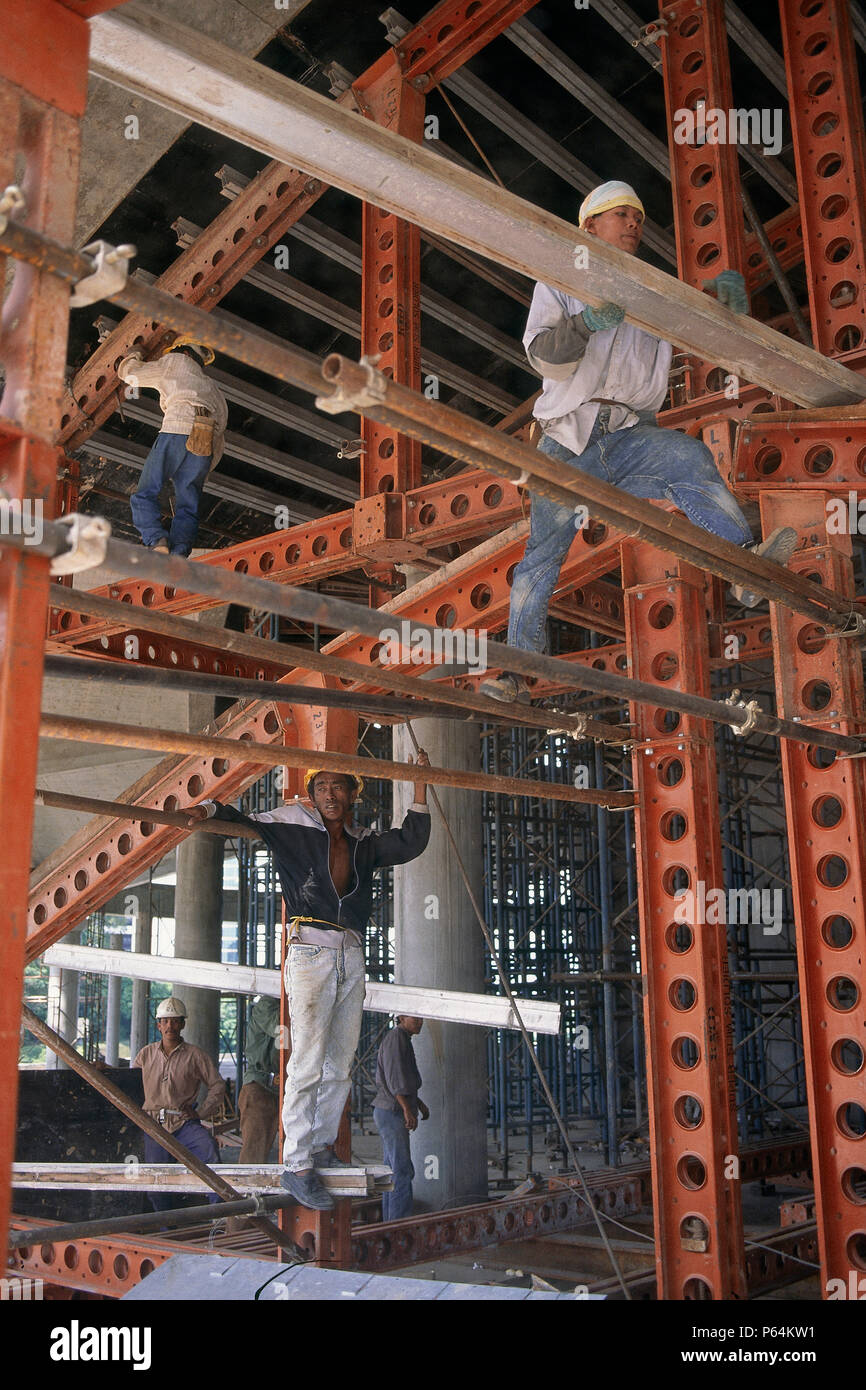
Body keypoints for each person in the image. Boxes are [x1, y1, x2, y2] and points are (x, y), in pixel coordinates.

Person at [480, 180, 797, 704]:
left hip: (629, 435)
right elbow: (544, 358)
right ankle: (517, 671)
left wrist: (724, 304)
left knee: (689, 457)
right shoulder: (560, 278)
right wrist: (584, 323)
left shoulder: (654, 291)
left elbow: (707, 333)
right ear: (589, 227)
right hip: (568, 439)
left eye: (638, 217)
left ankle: (746, 567)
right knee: (544, 551)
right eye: (621, 214)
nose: (633, 224)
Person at [184, 755, 432, 1211]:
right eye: (322, 789)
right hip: (310, 952)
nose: (331, 795)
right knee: (307, 1061)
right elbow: (241, 819)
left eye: (339, 788)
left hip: (351, 953)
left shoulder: (363, 841)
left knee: (339, 1061)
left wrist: (419, 788)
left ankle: (319, 1147)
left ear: (352, 794)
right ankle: (296, 1162)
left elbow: (410, 842)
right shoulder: (292, 822)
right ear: (313, 793)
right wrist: (206, 811)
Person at [117, 336, 228, 557]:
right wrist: (202, 469)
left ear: (183, 351)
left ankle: (156, 541)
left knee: (145, 492)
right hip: (204, 445)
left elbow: (131, 375)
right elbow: (221, 433)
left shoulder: (177, 362)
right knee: (188, 506)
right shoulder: (213, 389)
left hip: (178, 428)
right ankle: (178, 555)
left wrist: (133, 356)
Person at [132, 996, 226, 1212]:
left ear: (183, 1024)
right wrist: (104, 1069)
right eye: (165, 1021)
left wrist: (201, 1112)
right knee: (155, 1177)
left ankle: (218, 1214)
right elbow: (129, 1082)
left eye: (175, 1021)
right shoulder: (146, 1054)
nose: (170, 1026)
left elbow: (217, 1085)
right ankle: (166, 1225)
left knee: (209, 1150)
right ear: (158, 1025)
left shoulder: (195, 1055)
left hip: (184, 1124)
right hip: (153, 1124)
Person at [372, 1015, 429, 1221]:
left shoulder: (402, 1038)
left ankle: (391, 1221)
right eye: (415, 1018)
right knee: (402, 1171)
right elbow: (395, 1080)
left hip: (390, 1110)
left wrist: (418, 1104)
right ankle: (399, 1223)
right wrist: (407, 1109)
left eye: (421, 1018)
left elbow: (402, 1081)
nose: (420, 1022)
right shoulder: (397, 1039)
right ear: (401, 1018)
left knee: (392, 1171)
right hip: (393, 1111)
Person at [238, 994, 281, 1164]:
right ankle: (247, 1189)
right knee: (254, 1149)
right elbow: (281, 1025)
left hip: (287, 1085)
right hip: (261, 1086)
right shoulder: (267, 1004)